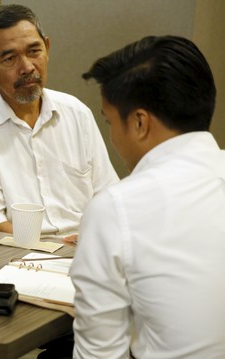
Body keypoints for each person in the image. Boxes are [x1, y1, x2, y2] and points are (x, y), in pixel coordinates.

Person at [71, 35, 225, 358]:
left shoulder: (114, 210)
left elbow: (99, 356)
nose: (111, 136)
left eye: (110, 122)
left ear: (140, 123)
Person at [0, 4, 119, 242]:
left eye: (34, 51)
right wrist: (55, 248)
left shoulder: (76, 113)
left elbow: (108, 197)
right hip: (16, 258)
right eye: (10, 58)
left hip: (87, 249)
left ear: (47, 48)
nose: (27, 67)